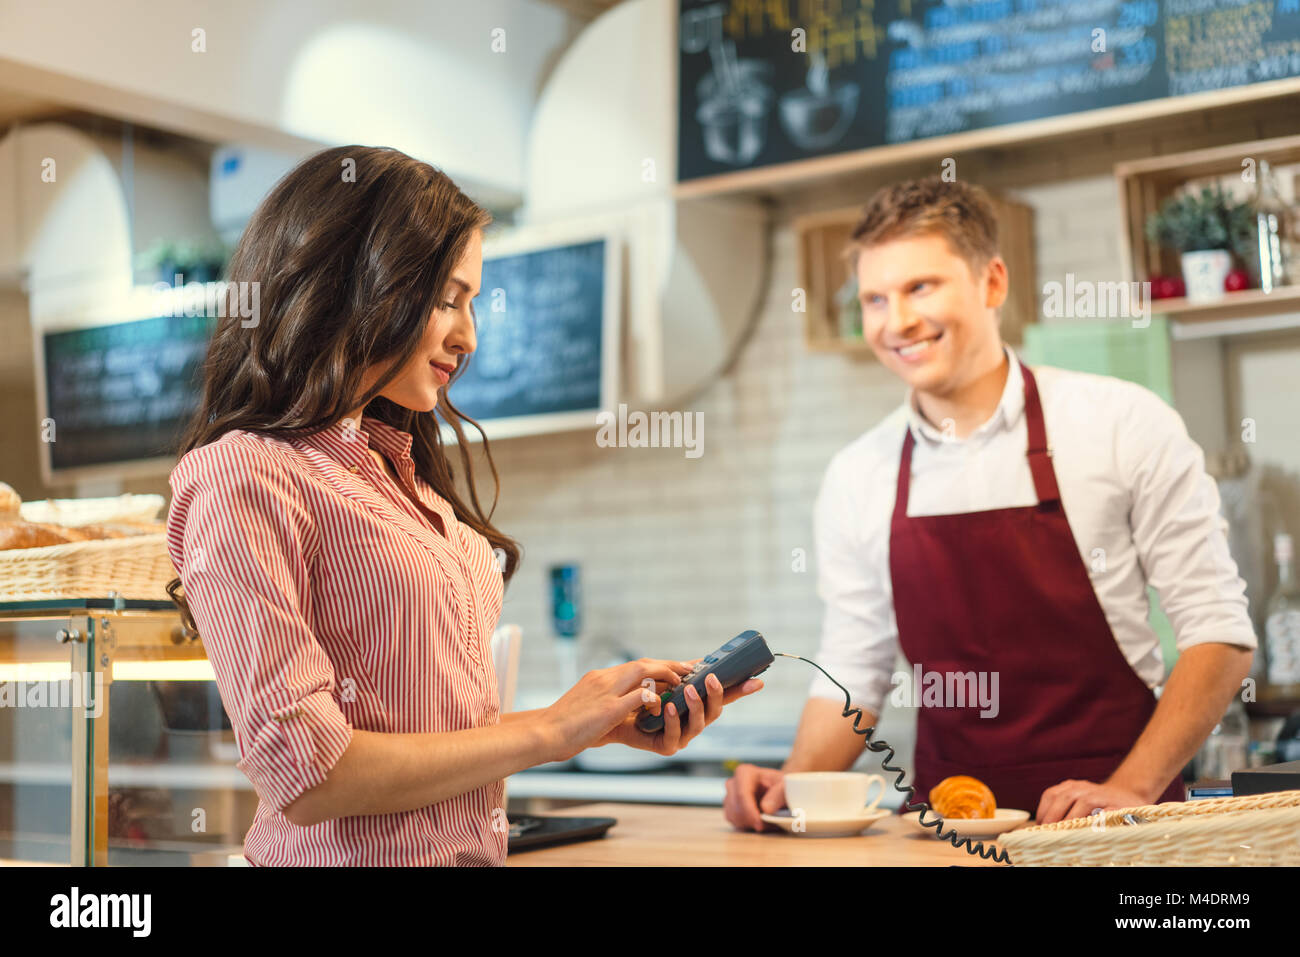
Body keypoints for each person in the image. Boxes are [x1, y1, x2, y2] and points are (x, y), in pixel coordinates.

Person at [166, 145, 762, 866]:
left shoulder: (401, 475)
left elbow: (423, 726)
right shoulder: (244, 475)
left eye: (471, 302)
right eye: (447, 299)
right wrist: (550, 731)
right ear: (355, 282)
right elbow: (307, 769)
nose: (468, 336)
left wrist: (587, 724)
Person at [724, 177, 1255, 829]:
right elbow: (855, 668)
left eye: (922, 287)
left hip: (1113, 833)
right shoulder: (858, 473)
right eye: (875, 298)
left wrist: (1129, 789)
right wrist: (794, 784)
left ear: (992, 283)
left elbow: (1219, 631)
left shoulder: (1121, 422)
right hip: (947, 833)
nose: (899, 321)